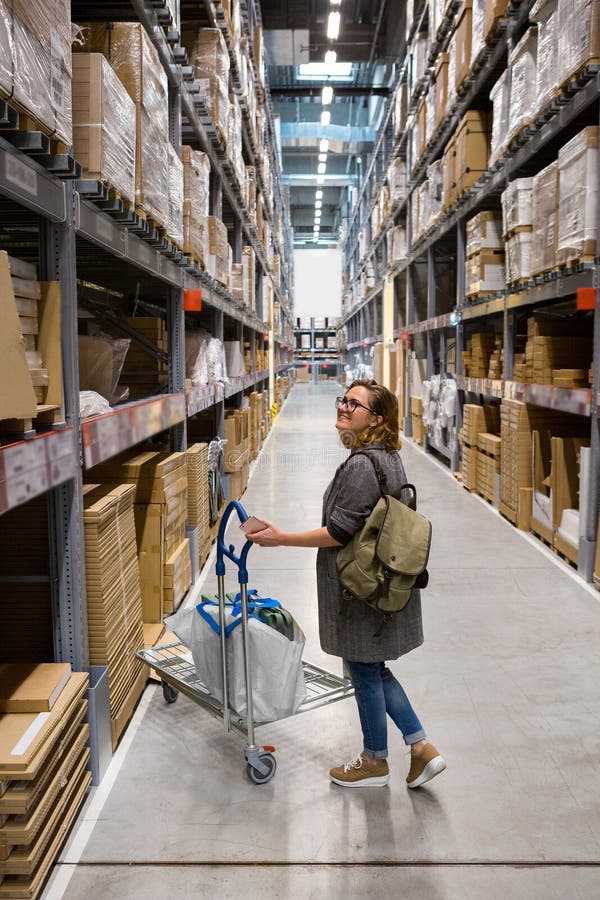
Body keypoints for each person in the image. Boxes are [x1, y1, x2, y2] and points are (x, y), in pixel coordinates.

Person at [246, 379, 445, 789]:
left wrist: (280, 537)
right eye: (344, 400)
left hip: (359, 586)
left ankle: (375, 760)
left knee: (364, 669)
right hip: (379, 580)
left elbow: (338, 533)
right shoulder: (387, 457)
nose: (343, 407)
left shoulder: (360, 466)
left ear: (375, 418)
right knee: (371, 667)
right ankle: (421, 747)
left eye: (354, 404)